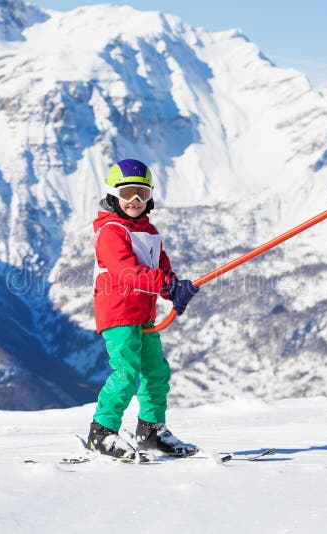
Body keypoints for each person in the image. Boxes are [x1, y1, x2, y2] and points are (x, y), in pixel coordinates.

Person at [87, 158, 199, 460]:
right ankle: (101, 432)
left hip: (142, 313)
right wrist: (166, 285)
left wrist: (175, 289)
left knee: (156, 371)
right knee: (126, 371)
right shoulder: (111, 232)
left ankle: (151, 430)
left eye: (142, 193)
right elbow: (127, 272)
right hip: (118, 312)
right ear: (113, 195)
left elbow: (160, 268)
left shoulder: (149, 232)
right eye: (127, 193)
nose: (135, 200)